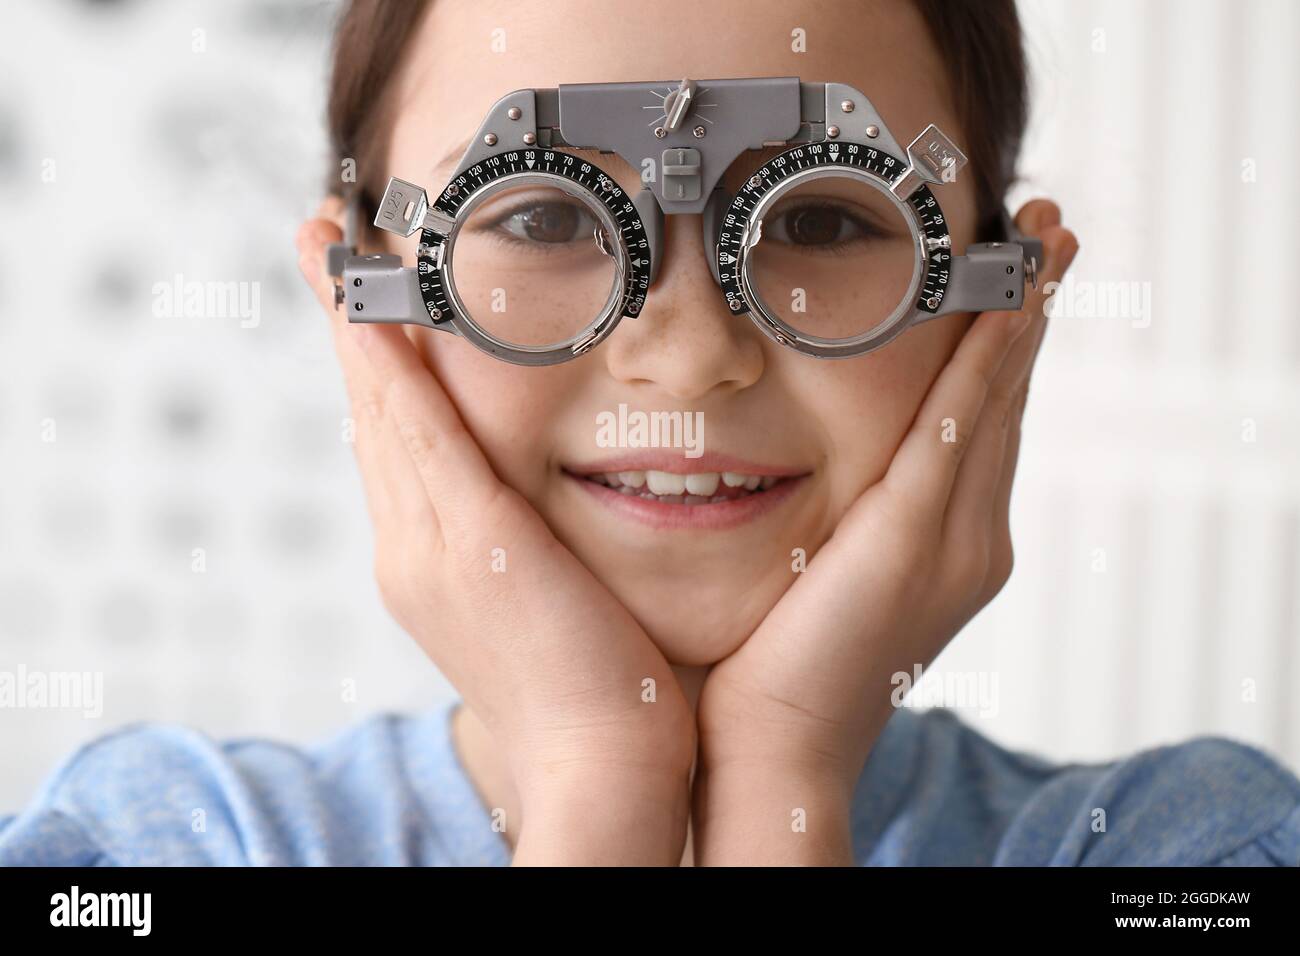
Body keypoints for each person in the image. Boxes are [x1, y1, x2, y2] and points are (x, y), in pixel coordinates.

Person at [2, 0, 1297, 866]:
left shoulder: (1183, 855)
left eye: (825, 221)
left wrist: (788, 778)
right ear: (361, 295)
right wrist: (594, 778)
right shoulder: (147, 851)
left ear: (1006, 296)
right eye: (550, 219)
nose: (686, 356)